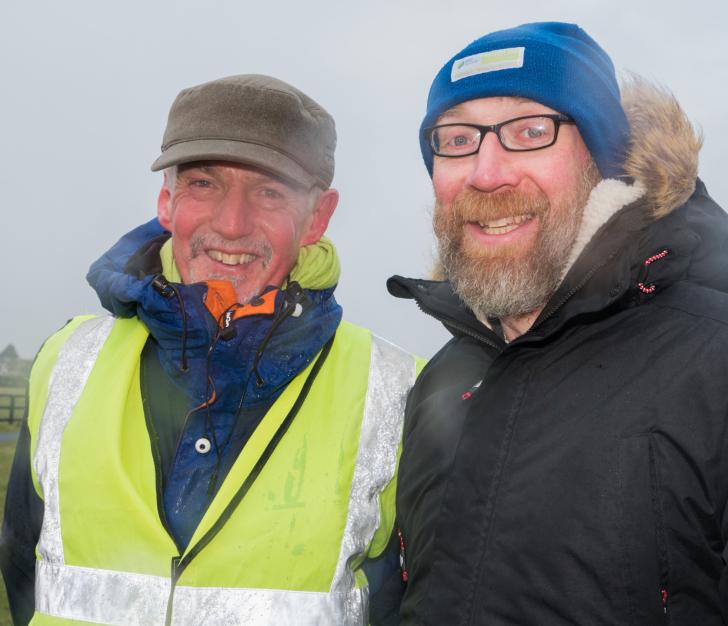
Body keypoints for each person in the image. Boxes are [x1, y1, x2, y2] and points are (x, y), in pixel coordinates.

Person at [387, 22, 728, 625]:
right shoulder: (443, 382)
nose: (486, 172)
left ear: (601, 161)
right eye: (457, 138)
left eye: (529, 131)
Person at [0, 74, 421, 626]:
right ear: (167, 201)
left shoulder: (396, 390)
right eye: (203, 184)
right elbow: (25, 572)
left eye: (270, 191)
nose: (231, 223)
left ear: (318, 217)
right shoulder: (65, 362)